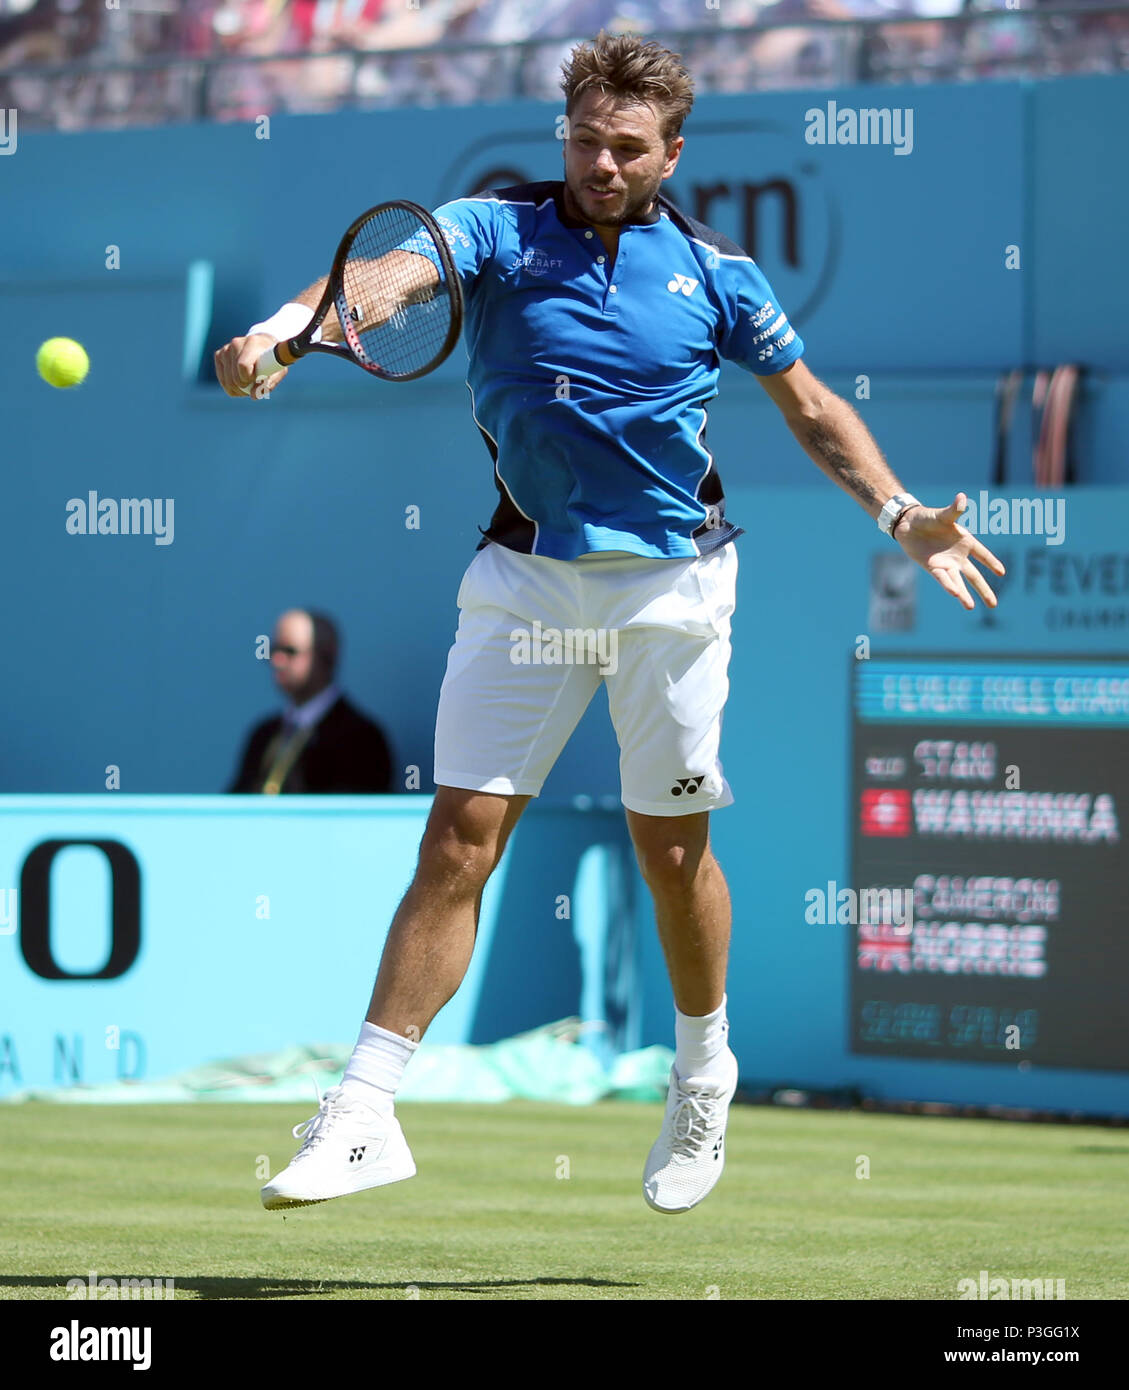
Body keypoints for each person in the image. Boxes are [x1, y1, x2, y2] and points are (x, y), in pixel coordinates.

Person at [214, 30, 1003, 1215]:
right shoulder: (492, 228)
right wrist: (289, 331)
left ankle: (700, 1068)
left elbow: (814, 408)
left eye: (626, 147)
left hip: (675, 590)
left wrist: (899, 513)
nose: (600, 161)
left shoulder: (721, 276)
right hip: (526, 577)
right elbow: (385, 281)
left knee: (668, 849)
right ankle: (365, 1110)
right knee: (459, 838)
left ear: (671, 152)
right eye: (584, 138)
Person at [228, 608, 395, 794]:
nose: (277, 661)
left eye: (290, 651)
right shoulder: (264, 734)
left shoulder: (362, 739)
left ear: (326, 657)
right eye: (274, 650)